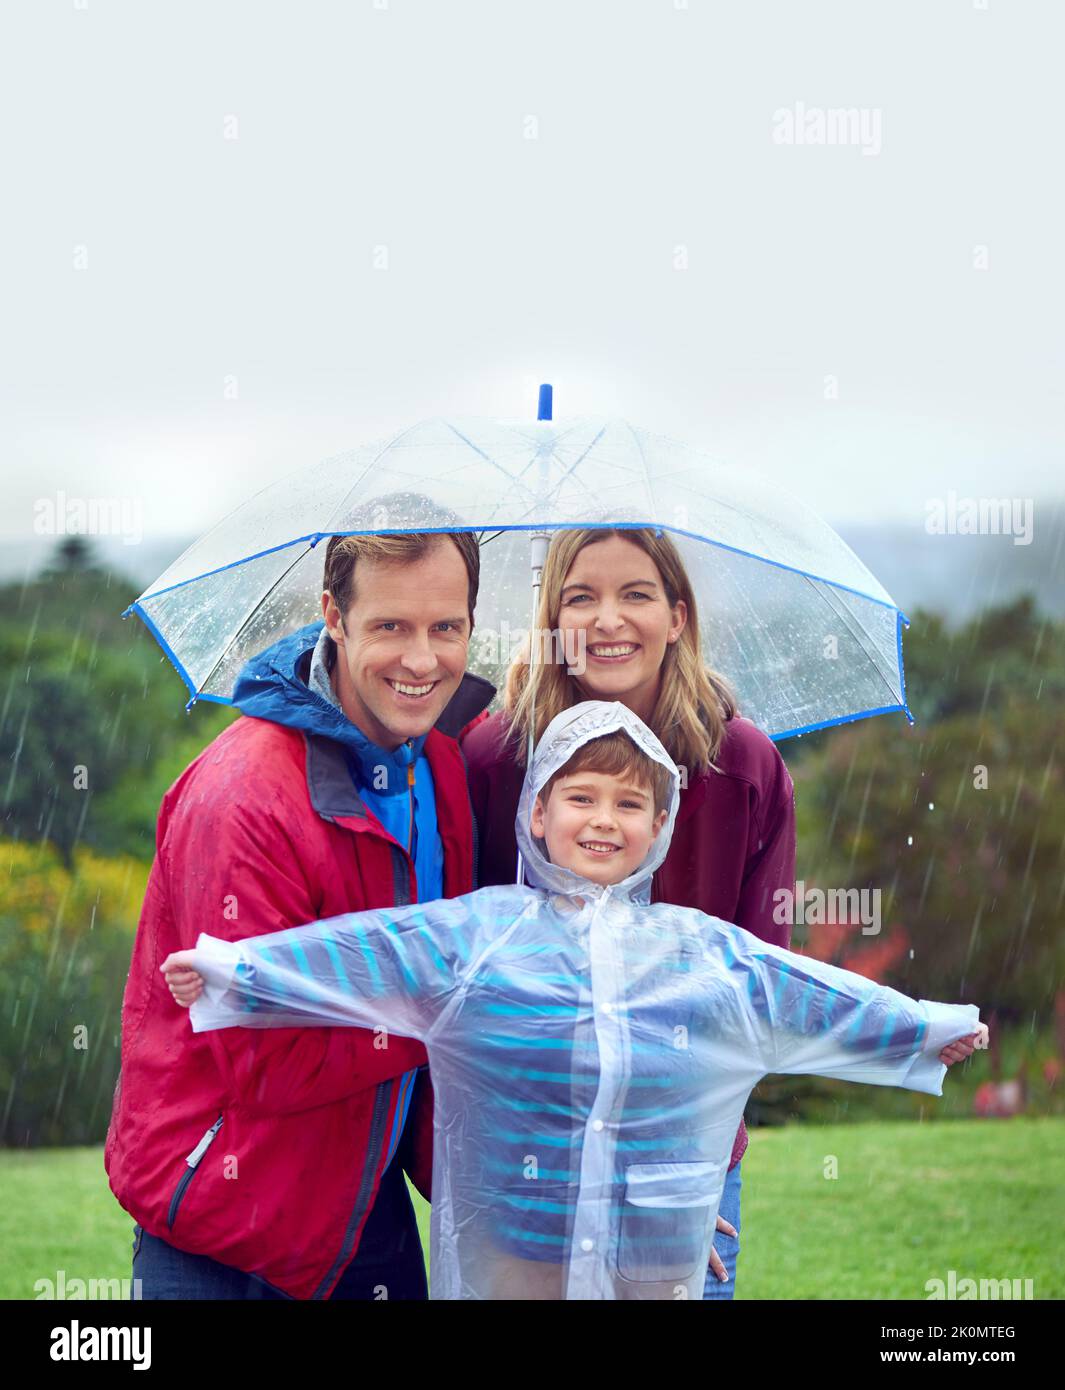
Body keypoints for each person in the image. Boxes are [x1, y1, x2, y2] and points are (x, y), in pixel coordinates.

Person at [161, 700, 987, 1301]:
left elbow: (807, 994)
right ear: (539, 812)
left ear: (659, 823)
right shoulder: (478, 936)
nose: (603, 820)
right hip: (515, 1240)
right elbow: (365, 952)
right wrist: (239, 973)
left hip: (652, 1244)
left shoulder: (700, 951)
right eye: (581, 797)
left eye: (630, 804)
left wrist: (918, 1031)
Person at [104, 528, 494, 1300]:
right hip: (223, 1221)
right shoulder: (243, 799)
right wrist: (452, 1009)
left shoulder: (443, 762)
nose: (422, 661)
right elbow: (265, 1060)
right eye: (390, 626)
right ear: (332, 617)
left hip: (359, 1203)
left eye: (445, 627)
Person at [461, 526, 796, 1295]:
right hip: (530, 1160)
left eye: (635, 595)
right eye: (581, 597)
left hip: (679, 1160)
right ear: (551, 623)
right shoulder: (493, 760)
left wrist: (676, 1161)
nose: (608, 620)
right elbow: (465, 980)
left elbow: (755, 987)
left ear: (677, 618)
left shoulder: (742, 765)